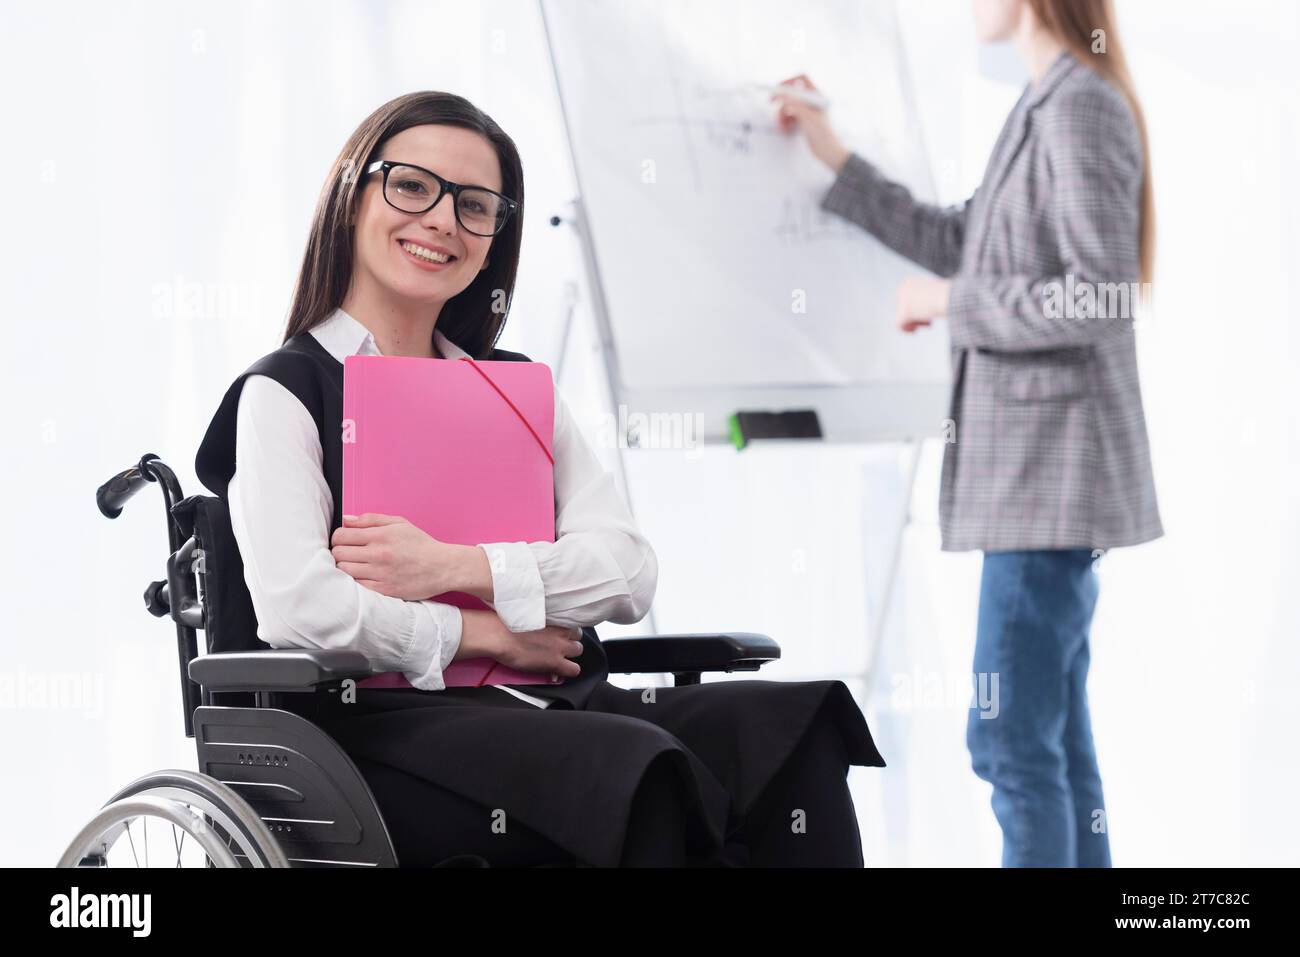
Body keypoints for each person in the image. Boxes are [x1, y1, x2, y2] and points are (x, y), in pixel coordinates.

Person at [195, 90, 885, 868]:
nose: (442, 221)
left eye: (475, 206)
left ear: (493, 240)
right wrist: (484, 634)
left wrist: (455, 568)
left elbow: (627, 571)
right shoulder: (286, 390)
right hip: (378, 733)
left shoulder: (517, 391)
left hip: (560, 702)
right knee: (631, 767)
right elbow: (301, 610)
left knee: (794, 726)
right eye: (413, 187)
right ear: (354, 196)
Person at [773, 0, 1161, 867]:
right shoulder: (1047, 100)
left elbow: (1099, 296)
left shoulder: (1080, 105)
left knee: (1008, 740)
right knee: (1048, 741)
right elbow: (961, 238)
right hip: (1037, 481)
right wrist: (833, 153)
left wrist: (950, 302)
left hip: (1048, 482)